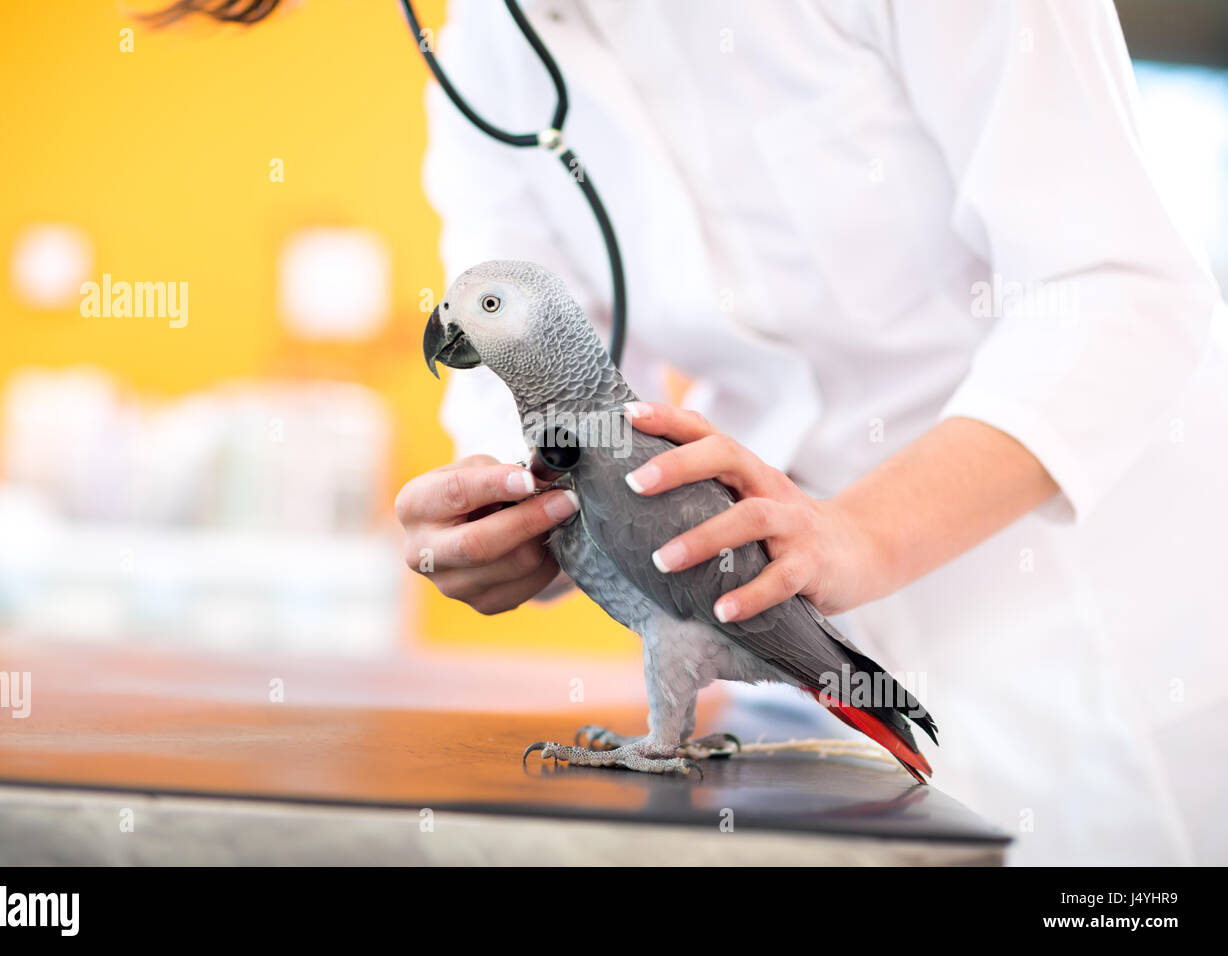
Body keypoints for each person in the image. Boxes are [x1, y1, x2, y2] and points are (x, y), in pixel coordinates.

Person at [395, 0, 1228, 865]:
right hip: (769, 662)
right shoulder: (484, 43)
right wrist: (500, 513)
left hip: (1103, 617)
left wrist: (860, 530)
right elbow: (546, 340)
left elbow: (1119, 285)